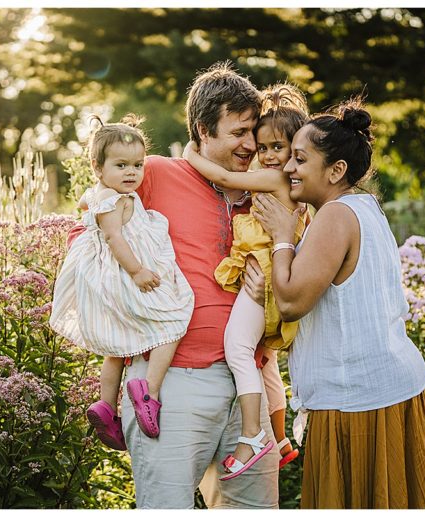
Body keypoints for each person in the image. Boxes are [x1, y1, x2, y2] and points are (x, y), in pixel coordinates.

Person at [252, 96, 425, 508]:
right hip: (389, 390)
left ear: (336, 170)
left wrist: (283, 235)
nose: (287, 167)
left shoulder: (336, 216)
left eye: (300, 159)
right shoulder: (365, 207)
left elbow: (291, 302)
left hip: (358, 404)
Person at [119, 61, 280, 508]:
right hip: (172, 385)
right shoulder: (153, 173)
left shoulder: (264, 189)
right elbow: (90, 232)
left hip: (250, 386)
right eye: (239, 133)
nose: (252, 145)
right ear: (202, 130)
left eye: (256, 132)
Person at [182, 83, 309, 478]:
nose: (265, 154)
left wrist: (188, 154)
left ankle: (253, 434)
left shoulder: (275, 181)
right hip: (266, 268)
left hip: (265, 274)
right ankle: (278, 434)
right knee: (263, 359)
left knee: (238, 348)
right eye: (262, 145)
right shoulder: (284, 181)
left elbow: (221, 175)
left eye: (278, 148)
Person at [49, 115, 194, 451]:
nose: (132, 173)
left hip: (106, 279)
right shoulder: (116, 201)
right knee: (173, 320)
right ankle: (149, 391)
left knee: (116, 347)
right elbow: (114, 238)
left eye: (138, 165)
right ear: (97, 167)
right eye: (121, 165)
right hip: (124, 274)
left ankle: (105, 404)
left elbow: (86, 203)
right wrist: (138, 271)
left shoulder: (99, 194)